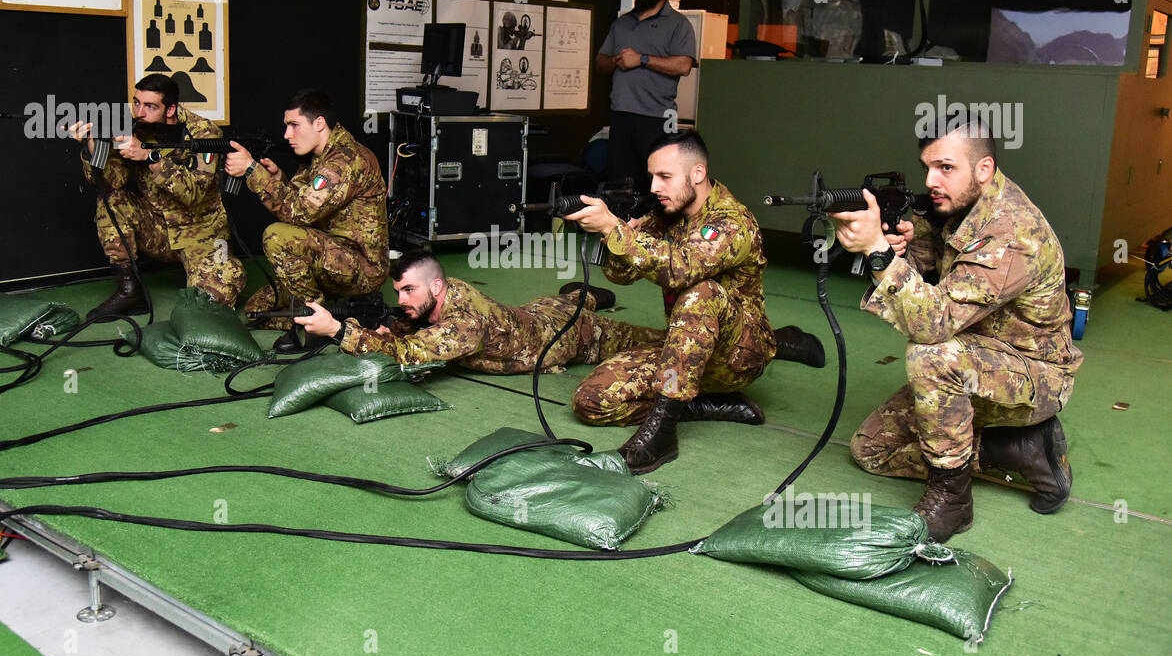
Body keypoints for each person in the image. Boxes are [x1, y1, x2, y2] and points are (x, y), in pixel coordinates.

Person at [829, 119, 1082, 542]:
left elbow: (933, 324)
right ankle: (1019, 450)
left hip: (1033, 372)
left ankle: (952, 498)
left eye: (946, 167)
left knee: (930, 354)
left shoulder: (1012, 231)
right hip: (977, 359)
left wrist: (876, 251)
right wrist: (899, 248)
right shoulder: (959, 208)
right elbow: (926, 274)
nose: (931, 180)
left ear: (983, 169)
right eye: (927, 167)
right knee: (870, 450)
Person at [565, 131, 824, 475]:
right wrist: (622, 230)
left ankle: (662, 433)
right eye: (652, 176)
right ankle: (702, 404)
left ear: (697, 174)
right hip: (686, 350)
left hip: (734, 358)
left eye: (665, 177)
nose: (655, 186)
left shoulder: (732, 222)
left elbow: (681, 269)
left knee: (701, 292)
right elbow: (620, 276)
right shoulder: (668, 215)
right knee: (592, 402)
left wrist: (615, 230)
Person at [297, 249, 664, 374]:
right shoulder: (441, 293)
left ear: (436, 288)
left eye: (410, 290)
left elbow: (409, 355)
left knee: (654, 342)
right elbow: (411, 325)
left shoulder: (464, 325)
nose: (403, 299)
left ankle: (585, 300)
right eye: (399, 292)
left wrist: (337, 330)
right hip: (530, 314)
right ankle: (581, 294)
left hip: (564, 336)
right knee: (558, 302)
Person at [226, 89, 388, 353]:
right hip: (328, 257)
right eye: (286, 126)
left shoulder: (345, 161)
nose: (286, 135)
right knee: (257, 309)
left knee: (277, 236)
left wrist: (252, 171)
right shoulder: (320, 157)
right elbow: (301, 199)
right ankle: (338, 315)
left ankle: (314, 326)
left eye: (293, 125)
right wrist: (278, 180)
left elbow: (299, 213)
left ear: (319, 123)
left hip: (359, 266)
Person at [76, 73, 245, 318]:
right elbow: (113, 183)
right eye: (136, 103)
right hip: (158, 231)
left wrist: (149, 157)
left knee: (210, 304)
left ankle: (219, 266)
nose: (140, 112)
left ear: (170, 109)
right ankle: (129, 291)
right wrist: (93, 149)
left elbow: (194, 193)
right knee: (112, 202)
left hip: (201, 235)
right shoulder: (137, 130)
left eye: (150, 106)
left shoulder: (204, 133)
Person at [595, 0, 696, 191]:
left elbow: (684, 65)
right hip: (621, 115)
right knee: (619, 185)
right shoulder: (622, 23)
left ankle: (655, 227)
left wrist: (641, 59)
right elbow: (600, 62)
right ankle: (620, 226)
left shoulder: (678, 24)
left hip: (656, 118)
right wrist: (616, 61)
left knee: (656, 185)